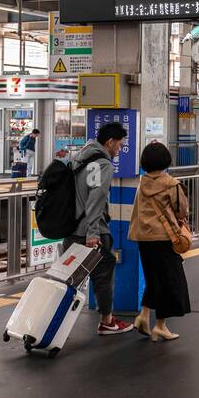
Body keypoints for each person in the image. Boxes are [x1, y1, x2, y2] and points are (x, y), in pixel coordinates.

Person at [69, 122, 133, 335]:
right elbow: (96, 201)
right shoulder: (104, 164)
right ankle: (107, 321)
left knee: (68, 280)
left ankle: (49, 319)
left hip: (71, 229)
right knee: (104, 275)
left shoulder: (79, 156)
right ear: (110, 142)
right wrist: (93, 233)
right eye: (119, 145)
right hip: (92, 232)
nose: (119, 150)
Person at [129, 141, 191, 342]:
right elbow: (183, 210)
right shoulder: (171, 184)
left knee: (153, 278)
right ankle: (161, 326)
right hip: (164, 238)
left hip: (143, 238)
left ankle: (143, 316)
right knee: (169, 281)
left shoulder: (142, 182)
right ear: (166, 160)